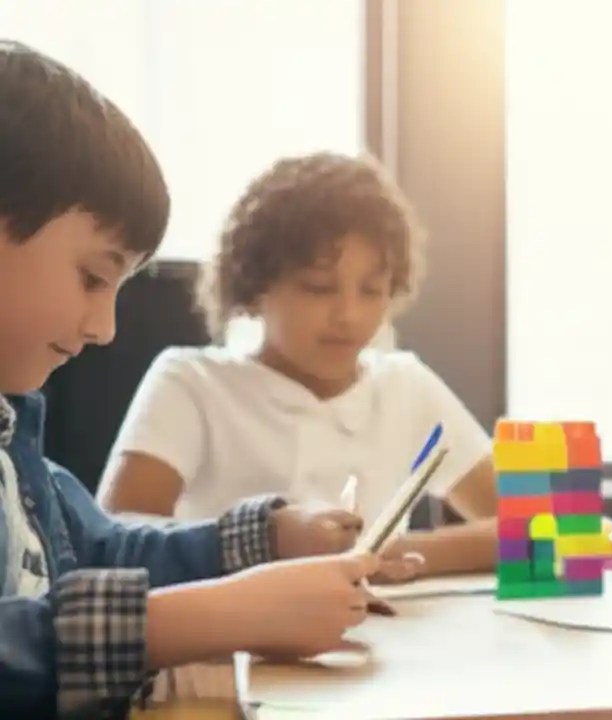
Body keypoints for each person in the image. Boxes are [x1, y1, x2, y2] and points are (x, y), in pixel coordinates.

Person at [0, 41, 379, 717]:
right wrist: (211, 618)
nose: (105, 328)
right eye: (93, 276)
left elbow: (107, 546)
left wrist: (271, 538)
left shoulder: (16, 451)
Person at [97, 152, 497, 580]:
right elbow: (115, 537)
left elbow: (536, 531)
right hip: (234, 639)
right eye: (319, 288)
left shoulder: (406, 386)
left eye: (372, 290)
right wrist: (273, 544)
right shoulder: (191, 382)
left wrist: (388, 553)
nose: (349, 315)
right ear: (255, 285)